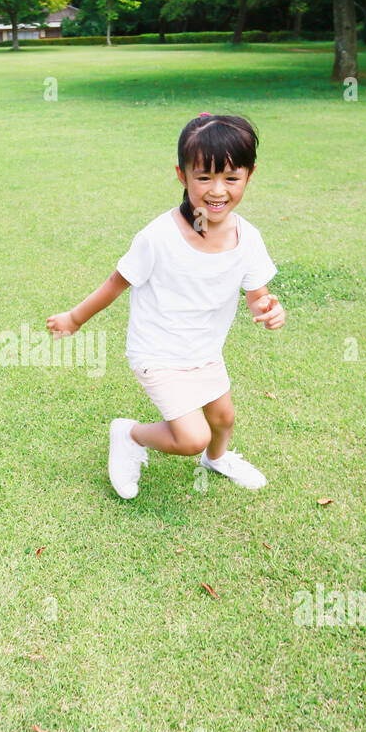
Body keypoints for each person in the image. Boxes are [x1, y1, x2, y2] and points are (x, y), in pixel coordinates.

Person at [46, 113, 285, 499]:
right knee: (192, 437)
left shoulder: (249, 238)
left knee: (224, 420)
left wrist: (270, 310)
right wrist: (74, 318)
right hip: (157, 353)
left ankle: (217, 459)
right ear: (182, 175)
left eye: (230, 178)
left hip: (204, 351)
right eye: (204, 177)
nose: (217, 190)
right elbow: (116, 283)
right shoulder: (158, 237)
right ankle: (131, 434)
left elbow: (260, 297)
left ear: (249, 175)